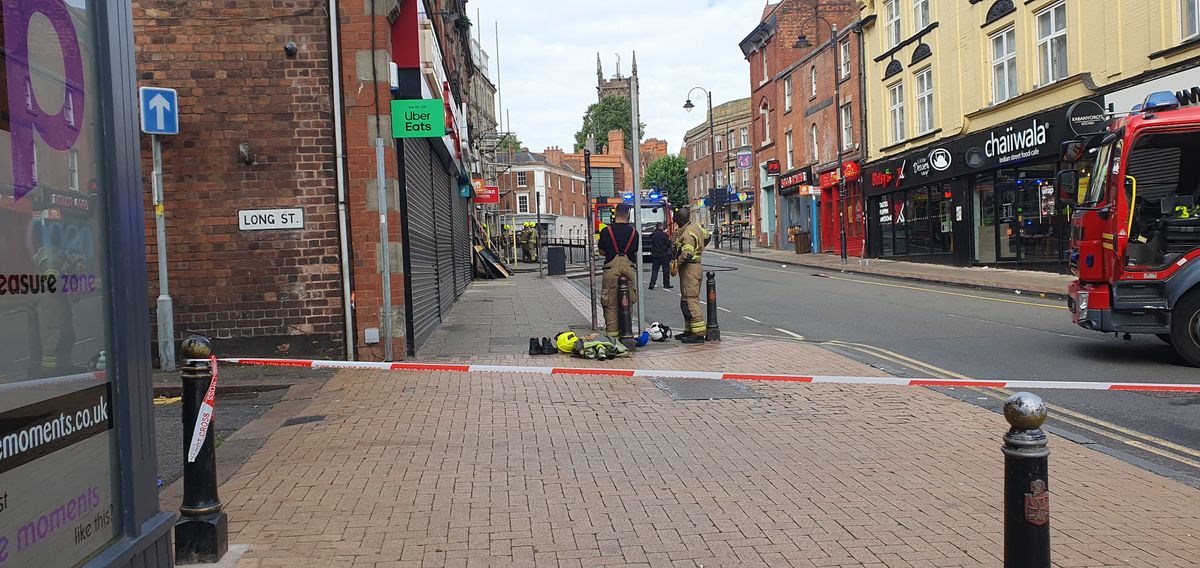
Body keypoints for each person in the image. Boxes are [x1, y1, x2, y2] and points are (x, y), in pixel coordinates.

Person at [598, 203, 639, 335]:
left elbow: (601, 252)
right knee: (628, 300)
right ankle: (627, 333)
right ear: (628, 214)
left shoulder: (605, 231)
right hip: (629, 267)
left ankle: (612, 336)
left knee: (609, 302)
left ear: (615, 213)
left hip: (611, 266)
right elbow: (635, 250)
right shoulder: (634, 232)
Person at [673, 207, 710, 343]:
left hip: (690, 269)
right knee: (685, 300)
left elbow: (687, 254)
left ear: (680, 221)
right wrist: (700, 248)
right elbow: (707, 236)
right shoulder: (696, 227)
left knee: (691, 300)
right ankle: (689, 330)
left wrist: (677, 263)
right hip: (695, 267)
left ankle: (698, 334)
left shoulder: (687, 234)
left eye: (676, 222)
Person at [647, 222, 673, 290]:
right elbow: (668, 244)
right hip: (664, 254)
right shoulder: (664, 235)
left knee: (655, 270)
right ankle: (666, 284)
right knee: (666, 270)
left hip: (655, 255)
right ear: (661, 227)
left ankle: (652, 283)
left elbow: (650, 238)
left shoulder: (653, 234)